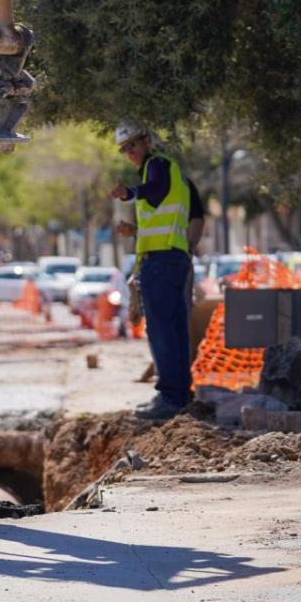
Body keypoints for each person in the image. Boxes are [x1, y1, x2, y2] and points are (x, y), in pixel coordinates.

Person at [110, 122, 194, 419]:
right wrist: (134, 229)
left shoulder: (157, 166)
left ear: (146, 141)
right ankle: (181, 395)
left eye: (132, 145)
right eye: (124, 149)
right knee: (175, 330)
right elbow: (165, 212)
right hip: (172, 257)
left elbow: (155, 191)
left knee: (161, 330)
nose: (129, 152)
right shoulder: (172, 171)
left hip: (162, 262)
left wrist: (128, 193)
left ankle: (170, 398)